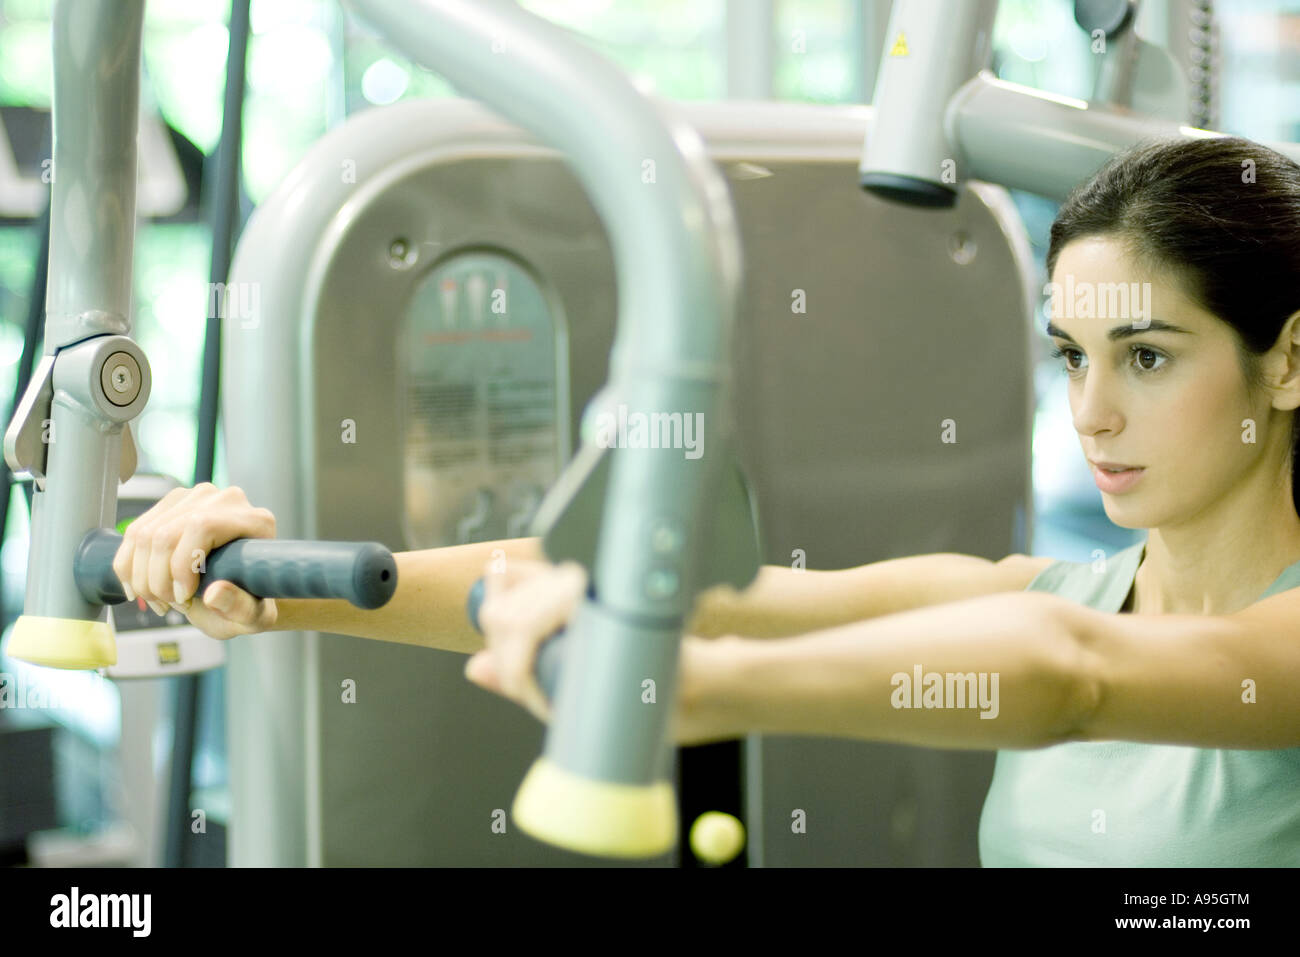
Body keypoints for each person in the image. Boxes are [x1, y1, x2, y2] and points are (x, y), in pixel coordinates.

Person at [113, 135, 1300, 865]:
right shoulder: (1051, 588)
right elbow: (704, 599)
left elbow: (1075, 677)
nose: (1091, 413)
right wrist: (283, 586)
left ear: (1285, 363)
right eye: (1069, 358)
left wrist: (704, 690)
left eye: (1146, 357)